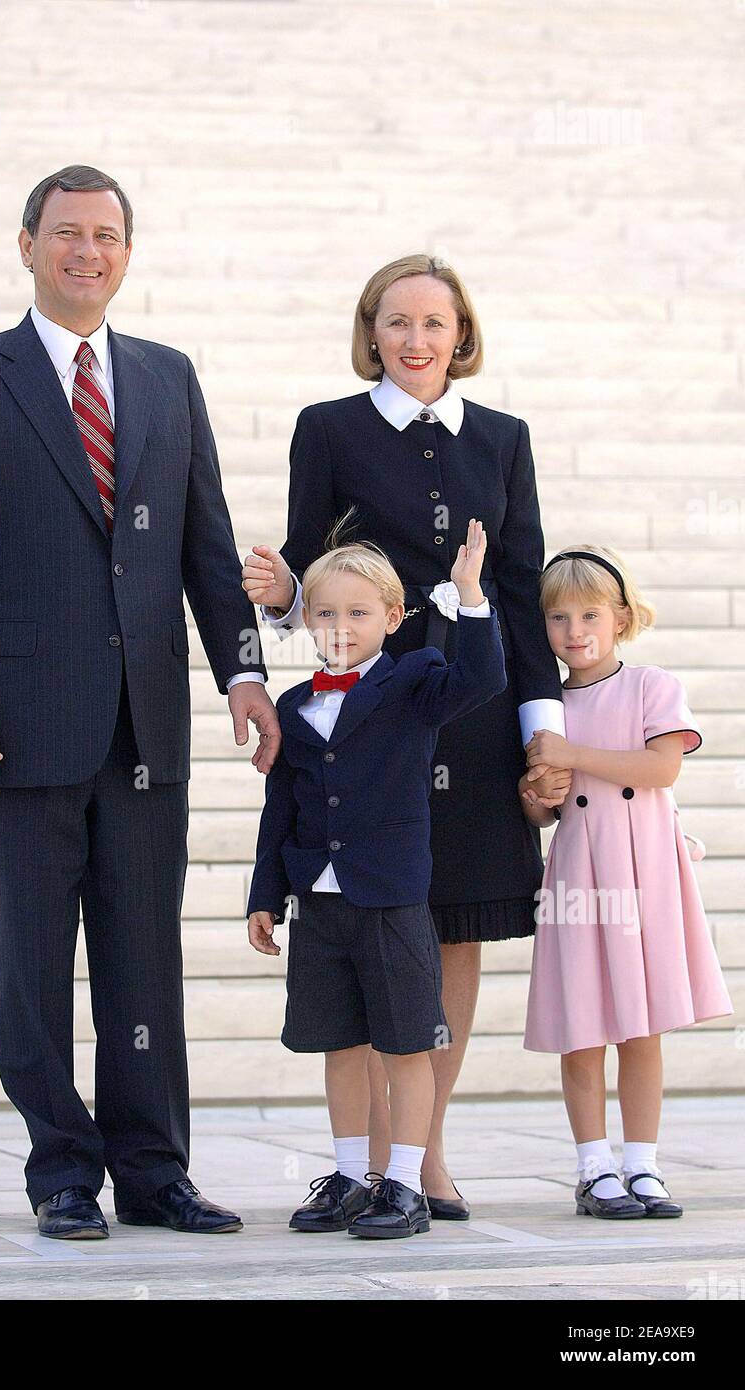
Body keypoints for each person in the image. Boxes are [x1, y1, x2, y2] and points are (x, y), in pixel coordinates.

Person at [0, 165, 280, 1238]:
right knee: (29, 965)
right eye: (66, 233)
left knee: (142, 958)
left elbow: (206, 541)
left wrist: (242, 672)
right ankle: (63, 1169)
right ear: (26, 245)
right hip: (15, 729)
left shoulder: (166, 377)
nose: (87, 252)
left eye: (106, 235)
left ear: (126, 251)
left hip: (145, 726)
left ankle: (154, 1170)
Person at [242, 254, 570, 1215]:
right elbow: (308, 568)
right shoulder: (329, 428)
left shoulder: (503, 438)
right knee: (379, 925)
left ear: (460, 334)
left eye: (435, 323)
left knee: (454, 929)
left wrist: (540, 729)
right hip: (373, 710)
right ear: (371, 332)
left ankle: (421, 1158)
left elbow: (520, 587)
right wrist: (281, 596)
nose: (416, 340)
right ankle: (368, 1164)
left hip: (472, 710)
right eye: (397, 323)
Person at [247, 519, 506, 1237]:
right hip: (320, 902)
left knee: (406, 1044)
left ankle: (404, 1184)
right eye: (324, 613)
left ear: (393, 618)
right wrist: (266, 896)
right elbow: (281, 808)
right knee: (340, 1044)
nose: (338, 626)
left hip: (390, 899)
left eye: (357, 613)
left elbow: (483, 679)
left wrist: (470, 597)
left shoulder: (413, 680)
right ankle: (351, 1176)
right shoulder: (295, 705)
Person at [520, 545, 733, 1219]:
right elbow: (540, 807)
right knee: (582, 1023)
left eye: (589, 614)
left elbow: (660, 770)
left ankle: (642, 1163)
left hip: (644, 871)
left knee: (644, 1026)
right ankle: (594, 1167)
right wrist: (538, 785)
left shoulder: (652, 687)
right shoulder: (540, 706)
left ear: (619, 617)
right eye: (558, 617)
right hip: (580, 872)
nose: (574, 631)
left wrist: (572, 757)